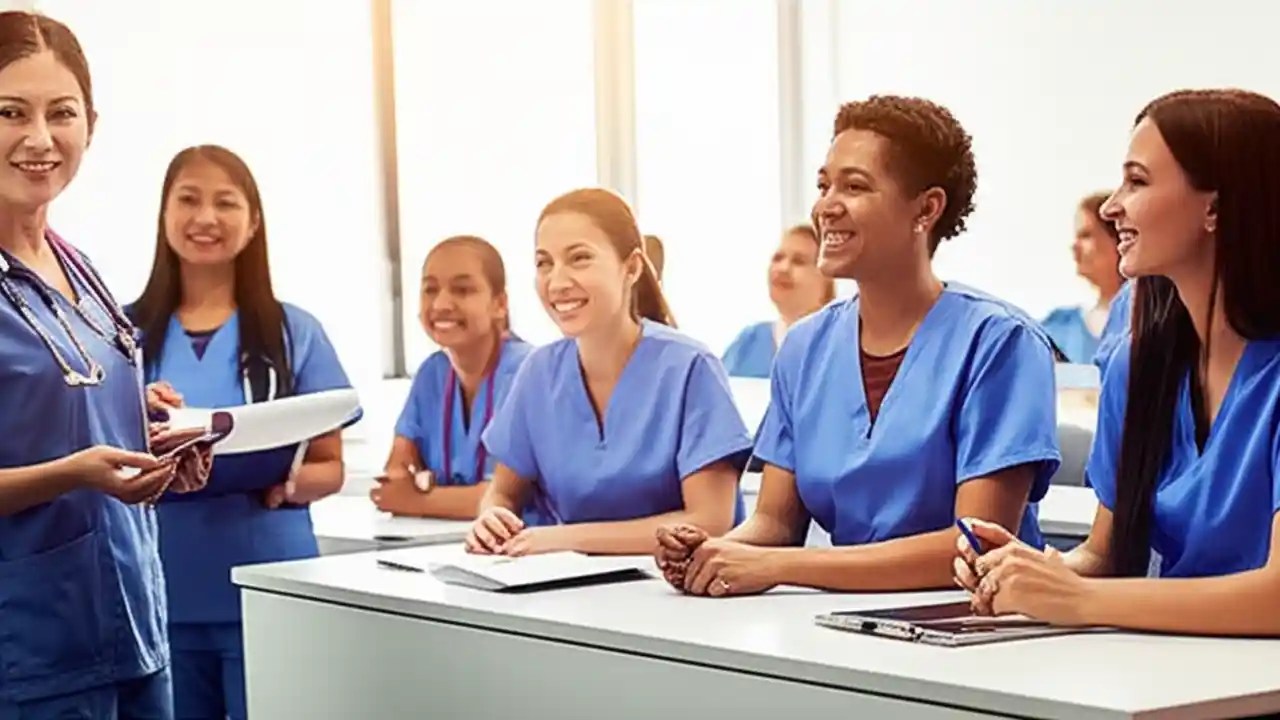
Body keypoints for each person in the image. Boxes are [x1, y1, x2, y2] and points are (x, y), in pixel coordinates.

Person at [655, 96, 1061, 597]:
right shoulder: (805, 347)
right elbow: (775, 526)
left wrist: (781, 567)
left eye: (855, 186)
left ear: (927, 208)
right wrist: (715, 552)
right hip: (839, 624)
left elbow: (975, 546)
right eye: (824, 184)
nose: (827, 205)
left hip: (971, 623)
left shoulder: (1000, 343)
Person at [955, 89, 1280, 637]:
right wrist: (1027, 570)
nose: (1112, 208)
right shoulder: (1139, 360)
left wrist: (1079, 599)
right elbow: (1105, 555)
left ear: (1216, 206)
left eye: (1138, 181)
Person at [0, 12, 208, 717]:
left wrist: (149, 433)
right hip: (29, 649)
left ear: (91, 123)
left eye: (62, 113)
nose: (39, 138)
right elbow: (69, 457)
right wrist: (74, 473)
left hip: (133, 625)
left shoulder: (79, 271)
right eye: (9, 112)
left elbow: (64, 409)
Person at [129, 144, 361, 718]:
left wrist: (287, 484)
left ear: (253, 223)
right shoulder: (122, 333)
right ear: (163, 215)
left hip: (270, 579)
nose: (205, 218)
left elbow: (329, 466)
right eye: (188, 200)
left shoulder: (292, 332)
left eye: (225, 203)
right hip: (162, 586)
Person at [466, 188, 754, 556]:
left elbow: (709, 521)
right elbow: (503, 490)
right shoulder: (538, 373)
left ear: (631, 268)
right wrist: (492, 516)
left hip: (678, 595)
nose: (557, 281)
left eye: (579, 258)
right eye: (544, 263)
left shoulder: (689, 367)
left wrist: (565, 539)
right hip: (567, 590)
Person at [371, 236, 533, 519]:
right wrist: (409, 489)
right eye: (430, 289)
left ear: (500, 304)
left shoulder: (531, 372)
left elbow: (508, 497)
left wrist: (416, 501)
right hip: (443, 544)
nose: (441, 303)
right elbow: (395, 474)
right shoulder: (431, 375)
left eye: (462, 289)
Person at [722, 224, 835, 378]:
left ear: (826, 279)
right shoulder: (748, 342)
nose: (783, 268)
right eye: (777, 258)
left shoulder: (839, 347)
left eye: (799, 261)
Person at [1040, 192, 1127, 363]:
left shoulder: (1154, 326)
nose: (1075, 247)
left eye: (1086, 235)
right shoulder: (1057, 327)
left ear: (1119, 238)